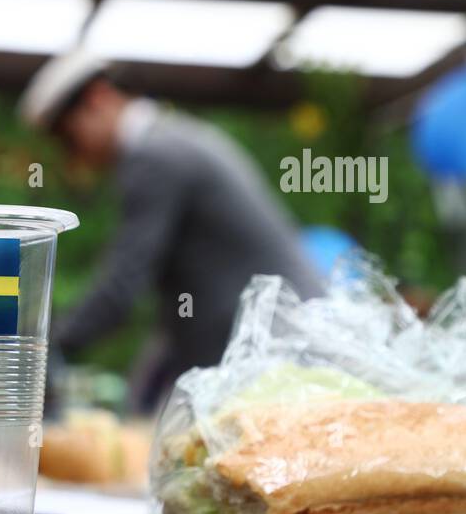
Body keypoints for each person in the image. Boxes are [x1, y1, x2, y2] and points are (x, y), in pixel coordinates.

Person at [19, 52, 325, 409]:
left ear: (96, 97)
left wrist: (46, 346)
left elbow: (121, 285)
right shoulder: (173, 141)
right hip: (274, 345)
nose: (73, 157)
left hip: (278, 354)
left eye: (68, 139)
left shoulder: (155, 157)